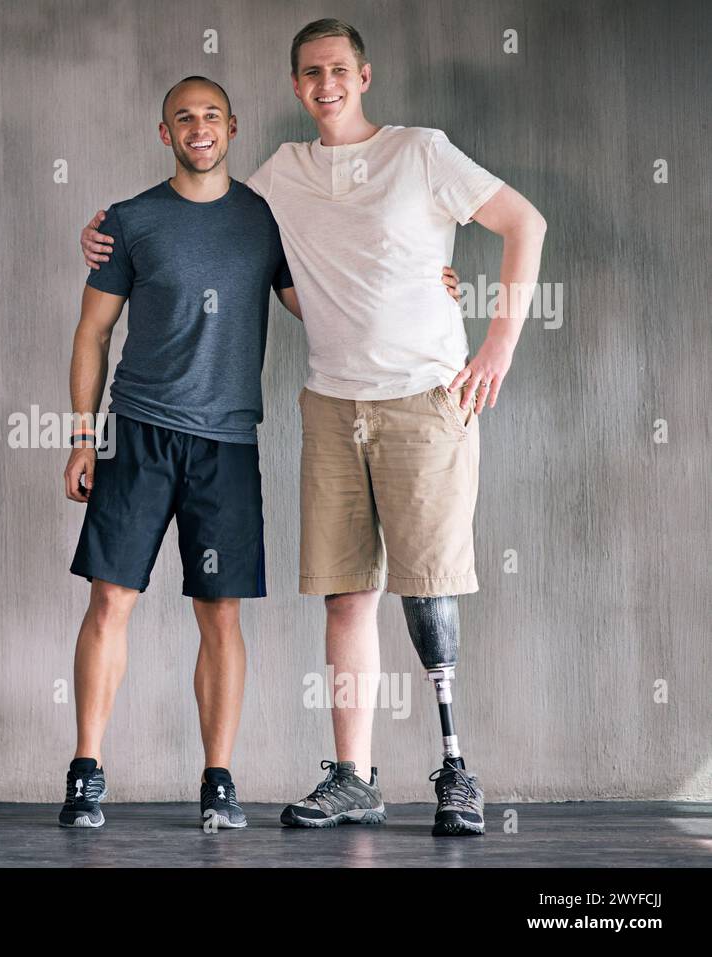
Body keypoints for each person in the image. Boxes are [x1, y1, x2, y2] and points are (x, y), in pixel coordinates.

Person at [83, 19, 547, 836]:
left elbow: (524, 224)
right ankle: (353, 776)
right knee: (345, 598)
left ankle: (455, 766)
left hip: (422, 398)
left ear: (363, 76)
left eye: (338, 69)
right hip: (331, 404)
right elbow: (208, 208)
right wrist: (104, 232)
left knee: (428, 590)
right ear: (294, 86)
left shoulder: (421, 150)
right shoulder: (281, 176)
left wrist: (497, 343)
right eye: (309, 73)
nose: (324, 84)